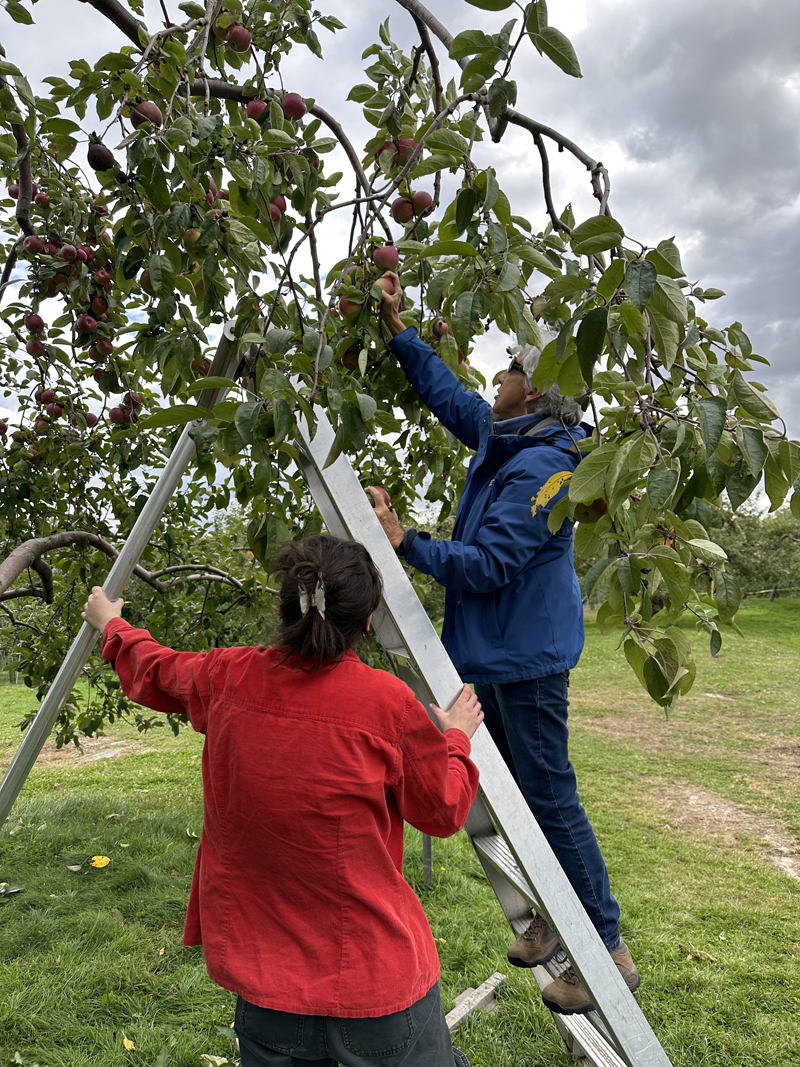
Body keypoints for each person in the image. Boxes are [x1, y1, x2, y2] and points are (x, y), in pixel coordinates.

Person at [81, 535, 483, 1067]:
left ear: (284, 607)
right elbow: (443, 811)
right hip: (376, 981)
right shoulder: (388, 704)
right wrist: (454, 738)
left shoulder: (228, 675)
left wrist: (112, 622)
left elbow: (157, 668)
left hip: (269, 986)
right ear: (366, 622)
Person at [367, 274, 639, 1016]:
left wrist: (406, 542)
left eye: (511, 368)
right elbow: (452, 397)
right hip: (496, 656)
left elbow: (489, 564)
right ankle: (559, 914)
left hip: (526, 662)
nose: (497, 376)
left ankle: (608, 947)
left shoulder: (548, 466)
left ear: (541, 385)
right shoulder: (507, 439)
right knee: (522, 798)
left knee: (551, 797)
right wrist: (399, 330)